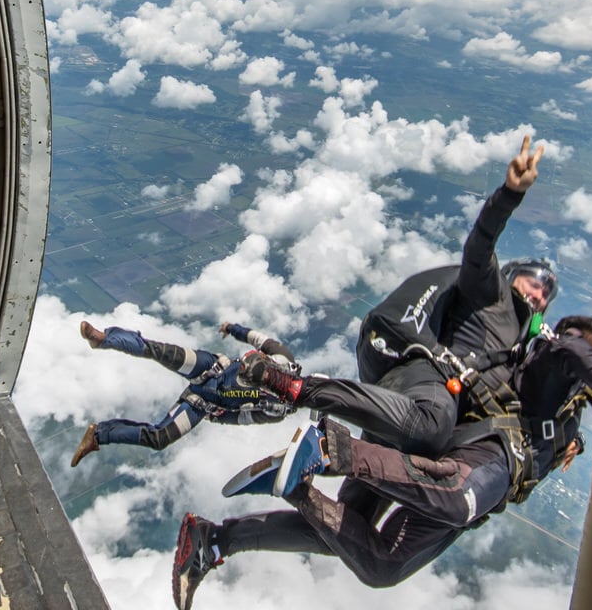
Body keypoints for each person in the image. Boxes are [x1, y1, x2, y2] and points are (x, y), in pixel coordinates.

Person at [171, 316, 592, 610]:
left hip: (433, 475)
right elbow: (568, 349)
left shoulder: (563, 418)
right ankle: (328, 449)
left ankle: (217, 538)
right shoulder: (555, 364)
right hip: (456, 468)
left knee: (374, 560)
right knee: (459, 501)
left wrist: (571, 442)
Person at [237, 134, 556, 456]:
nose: (540, 293)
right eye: (535, 281)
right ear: (512, 276)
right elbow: (479, 246)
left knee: (377, 493)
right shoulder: (492, 293)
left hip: (430, 402)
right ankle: (298, 386)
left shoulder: (520, 347)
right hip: (427, 381)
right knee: (431, 428)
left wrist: (567, 439)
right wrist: (510, 195)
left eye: (547, 294)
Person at [70, 320, 298, 466]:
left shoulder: (275, 410)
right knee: (159, 351)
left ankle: (99, 435)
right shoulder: (283, 359)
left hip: (203, 403)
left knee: (160, 439)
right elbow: (256, 338)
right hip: (211, 367)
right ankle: (103, 338)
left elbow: (243, 417)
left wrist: (216, 415)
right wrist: (232, 329)